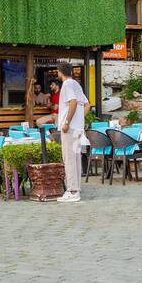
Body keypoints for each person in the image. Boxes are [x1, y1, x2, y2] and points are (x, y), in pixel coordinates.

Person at [55, 62, 89, 203]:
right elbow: (87, 104)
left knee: (69, 158)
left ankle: (72, 191)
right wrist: (79, 121)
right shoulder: (76, 84)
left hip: (69, 128)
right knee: (75, 159)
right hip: (77, 128)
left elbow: (73, 102)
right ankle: (76, 189)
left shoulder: (67, 85)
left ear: (60, 72)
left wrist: (67, 122)